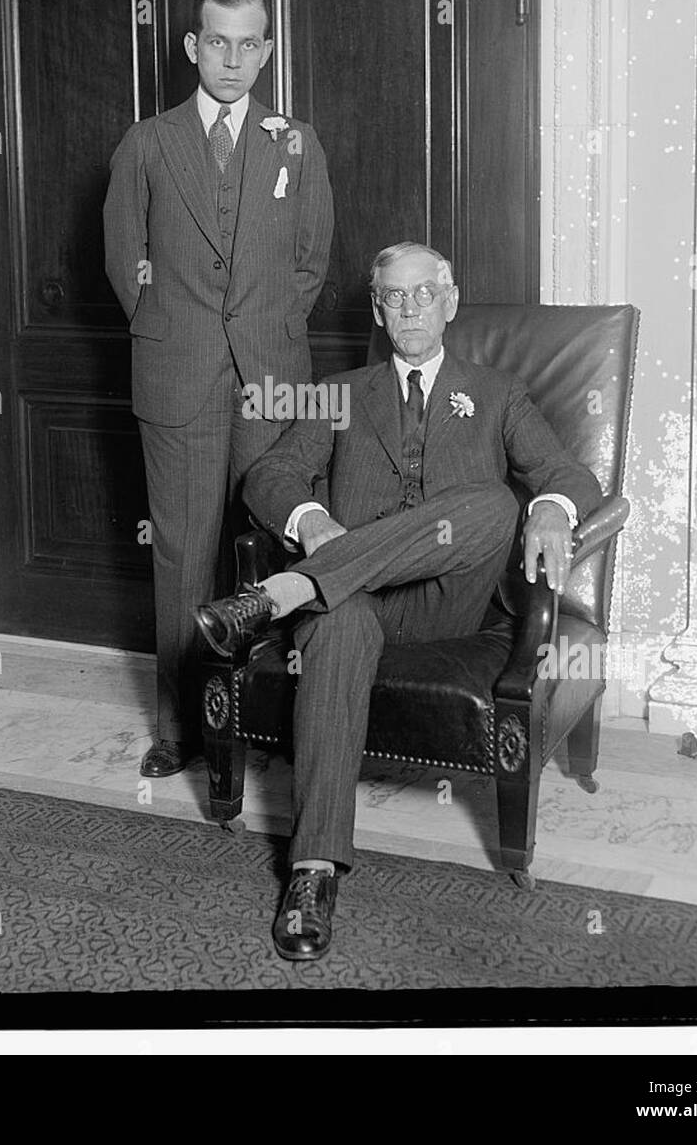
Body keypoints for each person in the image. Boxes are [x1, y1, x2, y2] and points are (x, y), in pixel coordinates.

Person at [195, 241, 602, 960]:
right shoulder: (339, 391)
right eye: (393, 297)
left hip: (449, 600)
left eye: (423, 294)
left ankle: (282, 593)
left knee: (488, 504)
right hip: (359, 601)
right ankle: (313, 871)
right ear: (377, 311)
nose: (409, 307)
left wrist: (550, 509)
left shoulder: (498, 392)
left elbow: (565, 472)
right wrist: (308, 519)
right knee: (337, 623)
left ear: (448, 302)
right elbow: (269, 475)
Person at [104, 0, 334, 778]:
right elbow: (124, 265)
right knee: (184, 552)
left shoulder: (295, 143)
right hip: (178, 375)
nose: (232, 59)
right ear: (191, 46)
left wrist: (262, 327)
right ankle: (179, 727)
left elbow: (310, 264)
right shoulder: (147, 142)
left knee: (272, 544)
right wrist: (174, 327)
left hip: (271, 376)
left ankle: (266, 716)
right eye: (217, 42)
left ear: (265, 50)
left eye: (249, 44)